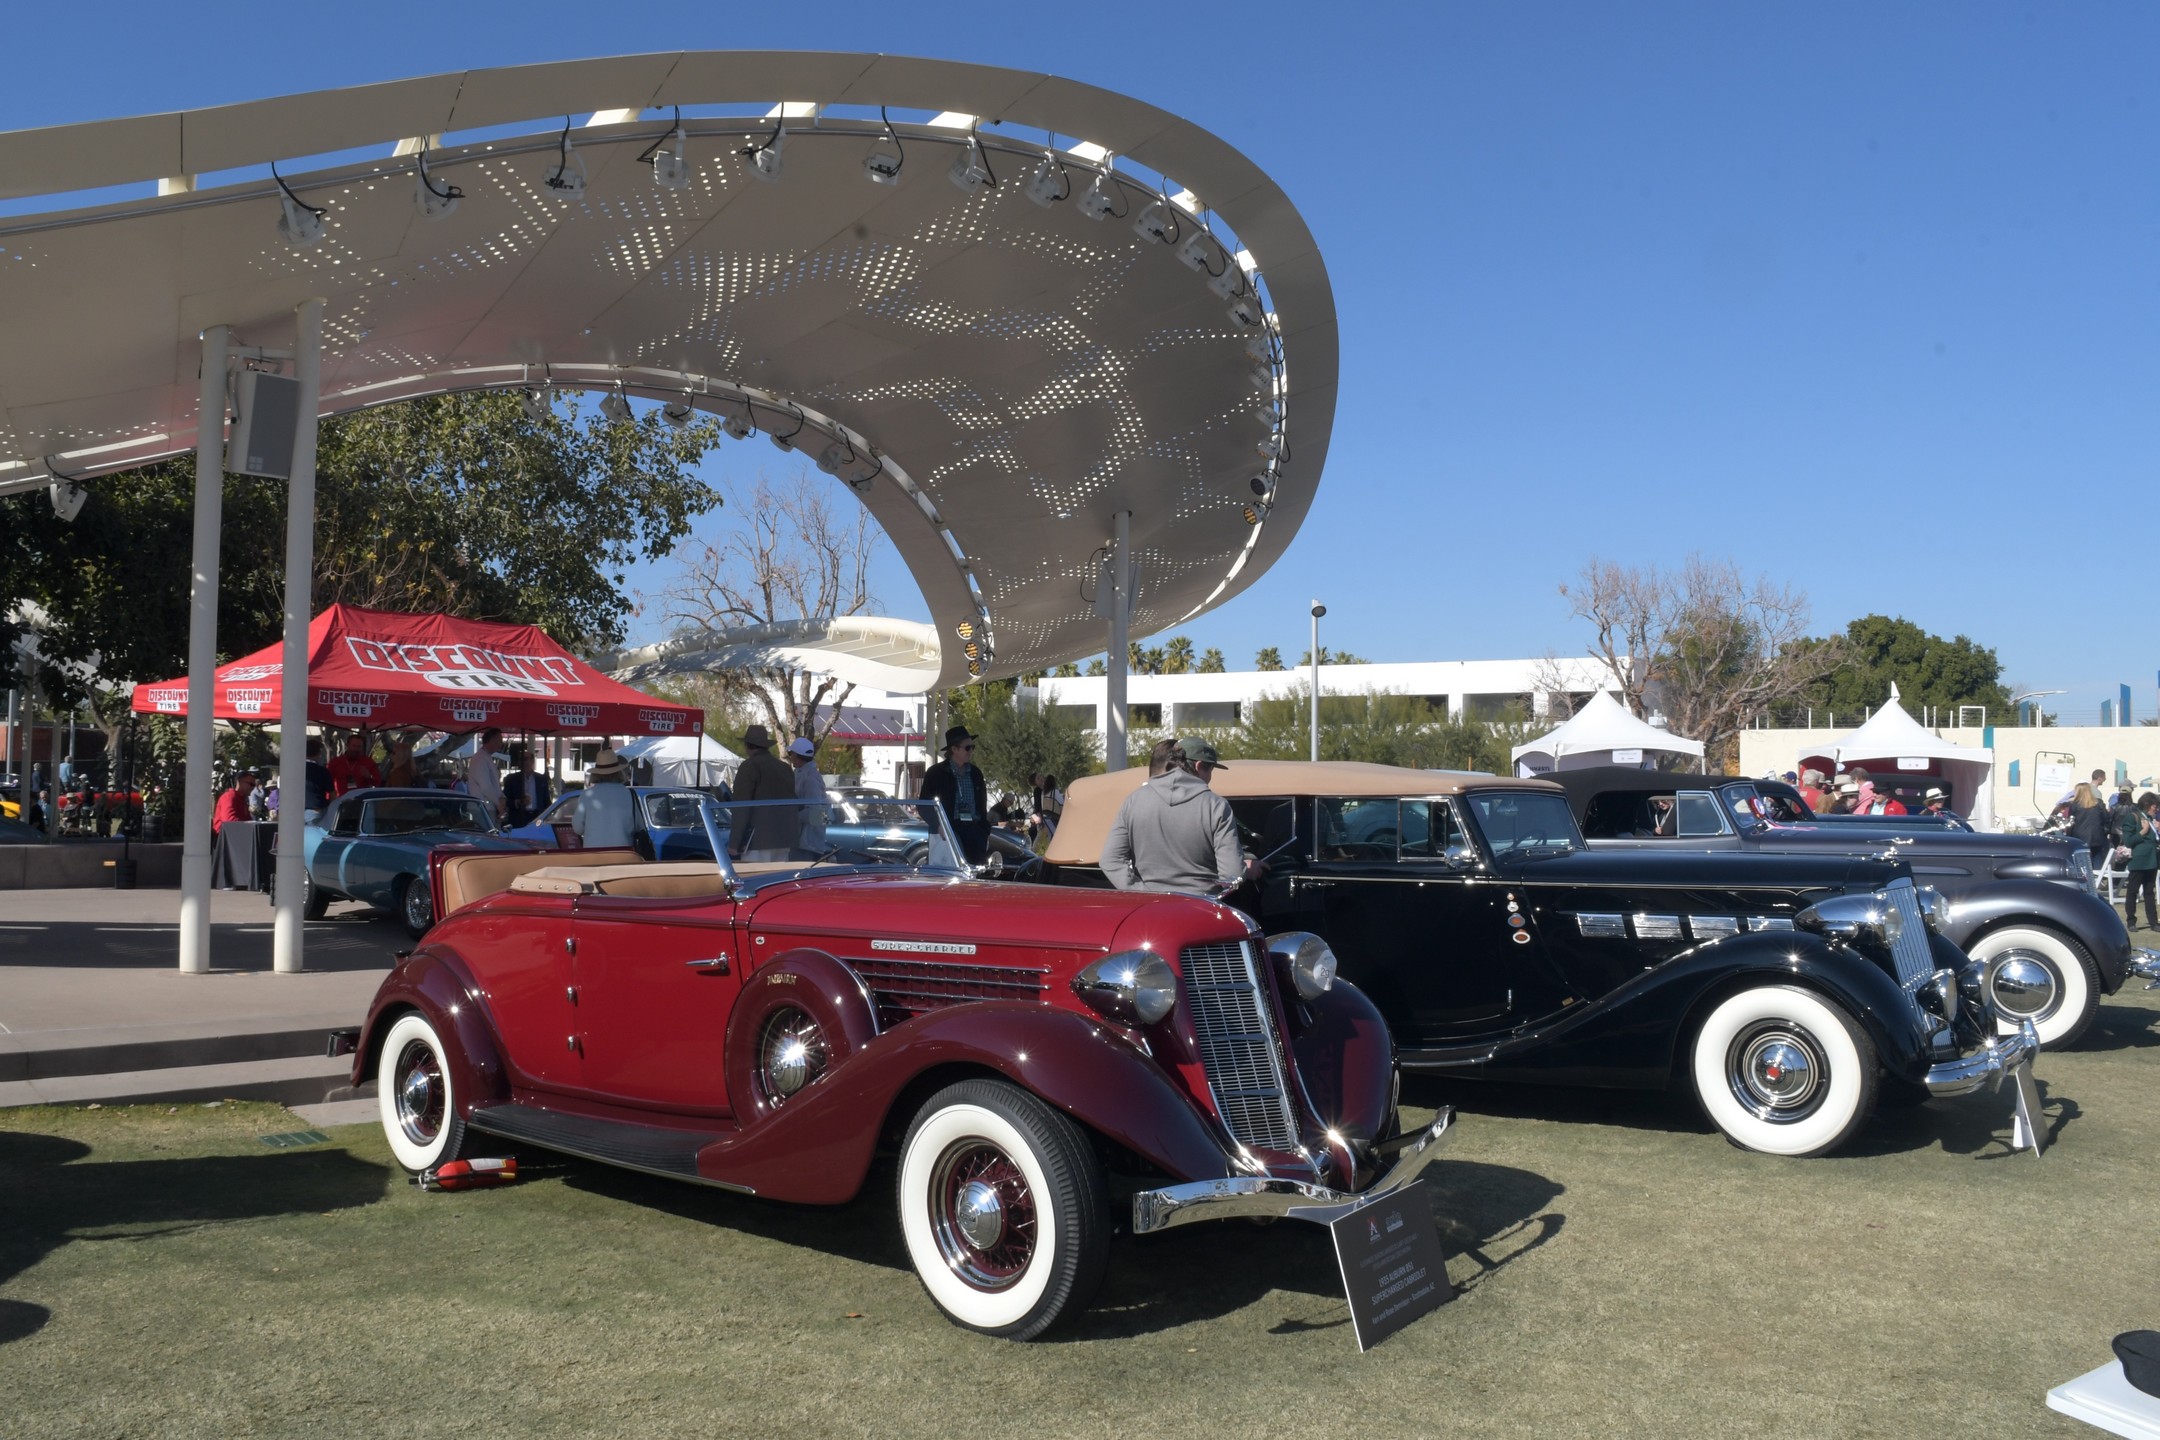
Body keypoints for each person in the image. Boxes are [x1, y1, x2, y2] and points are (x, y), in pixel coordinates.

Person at [1101, 738, 1257, 894]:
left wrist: (1141, 892)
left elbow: (1110, 860)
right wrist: (1244, 870)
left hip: (1148, 909)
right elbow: (1232, 874)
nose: (1210, 778)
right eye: (1210, 770)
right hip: (1199, 909)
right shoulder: (1216, 806)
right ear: (1199, 766)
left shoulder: (1133, 801)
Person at [920, 726, 991, 865]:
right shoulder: (936, 773)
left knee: (974, 877)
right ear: (954, 749)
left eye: (972, 747)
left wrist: (984, 830)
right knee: (949, 875)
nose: (971, 751)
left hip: (974, 830)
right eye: (967, 748)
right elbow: (924, 805)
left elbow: (982, 804)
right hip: (948, 830)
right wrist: (938, 825)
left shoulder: (976, 773)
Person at [728, 724, 797, 862]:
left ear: (747, 746)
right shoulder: (785, 768)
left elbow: (741, 808)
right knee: (779, 882)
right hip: (783, 839)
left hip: (757, 840)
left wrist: (734, 843)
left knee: (757, 880)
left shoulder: (749, 766)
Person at [573, 748, 638, 850]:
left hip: (594, 853)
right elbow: (638, 826)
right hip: (623, 853)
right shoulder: (629, 794)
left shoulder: (587, 795)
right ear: (619, 772)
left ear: (596, 773)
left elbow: (577, 828)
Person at [2120, 792, 2160, 931]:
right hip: (2139, 860)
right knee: (2132, 891)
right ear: (2147, 804)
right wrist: (2143, 832)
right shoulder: (2133, 818)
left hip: (2152, 860)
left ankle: (2153, 922)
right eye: (2155, 806)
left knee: (2149, 892)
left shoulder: (2150, 818)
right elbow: (2129, 841)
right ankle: (2131, 921)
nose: (2157, 809)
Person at [787, 736, 829, 855]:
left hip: (808, 845)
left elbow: (816, 812)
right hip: (805, 841)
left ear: (796, 755)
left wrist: (792, 817)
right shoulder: (804, 774)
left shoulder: (810, 778)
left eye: (791, 753)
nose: (790, 757)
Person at [2067, 781, 2116, 870]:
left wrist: (2069, 836)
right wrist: (2105, 832)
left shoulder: (2074, 805)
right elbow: (2106, 819)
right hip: (2098, 837)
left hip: (2080, 838)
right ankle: (2097, 881)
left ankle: (2086, 882)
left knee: (2083, 866)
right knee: (2097, 863)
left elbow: (2070, 823)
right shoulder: (2099, 803)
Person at [464, 727, 506, 822]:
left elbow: (493, 784)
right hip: (482, 808)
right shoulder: (480, 759)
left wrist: (502, 797)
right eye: (499, 740)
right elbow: (486, 786)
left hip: (488, 807)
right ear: (492, 740)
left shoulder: (486, 757)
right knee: (487, 836)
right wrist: (498, 803)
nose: (501, 743)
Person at [504, 747, 552, 828]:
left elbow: (546, 801)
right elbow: (505, 799)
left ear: (532, 761)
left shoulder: (541, 779)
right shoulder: (511, 779)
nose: (524, 762)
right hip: (518, 818)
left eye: (526, 759)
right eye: (521, 759)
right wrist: (517, 802)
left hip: (537, 818)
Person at [302, 737, 335, 822]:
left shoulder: (295, 769)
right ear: (319, 754)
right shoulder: (323, 771)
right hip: (316, 810)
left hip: (294, 811)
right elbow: (332, 794)